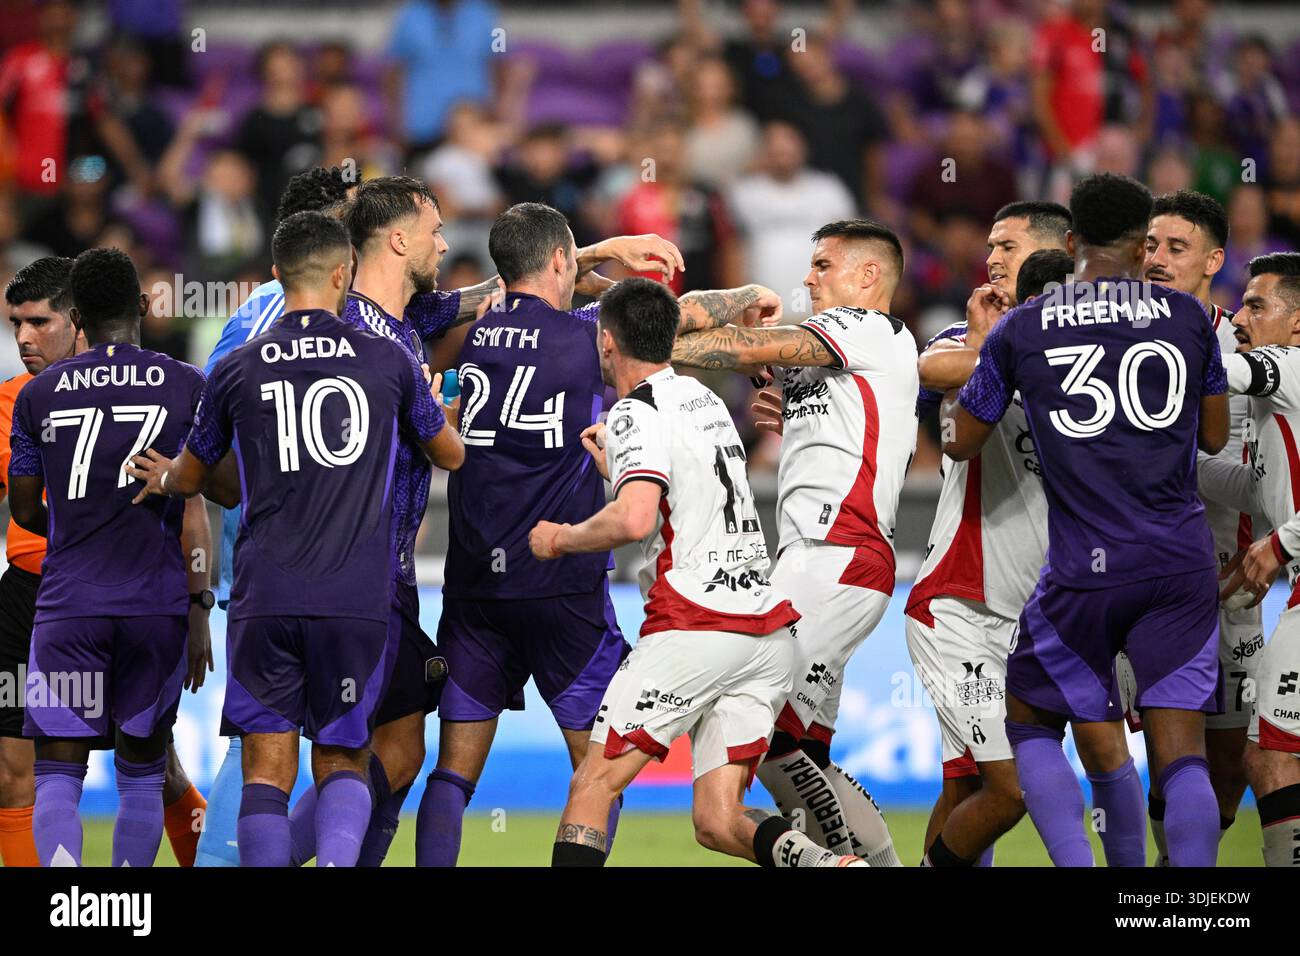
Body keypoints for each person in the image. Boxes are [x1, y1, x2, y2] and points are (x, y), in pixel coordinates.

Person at [423, 200, 765, 866]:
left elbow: (524, 277)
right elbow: (683, 316)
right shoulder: (585, 336)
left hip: (472, 586)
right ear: (559, 260)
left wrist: (603, 252)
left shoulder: (478, 329)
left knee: (453, 774)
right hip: (561, 586)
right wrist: (752, 294)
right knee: (599, 773)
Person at [128, 211, 464, 867]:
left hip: (265, 594)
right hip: (358, 594)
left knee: (267, 770)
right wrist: (438, 410)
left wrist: (164, 475)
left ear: (276, 276)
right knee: (344, 758)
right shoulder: (387, 360)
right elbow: (449, 454)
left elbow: (197, 476)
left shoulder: (236, 368)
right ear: (344, 274)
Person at [943, 173, 1230, 867]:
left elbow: (961, 439)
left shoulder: (1021, 326)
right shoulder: (1189, 318)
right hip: (1180, 563)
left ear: (1071, 243)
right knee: (1181, 753)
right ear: (1143, 246)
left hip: (1083, 569)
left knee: (1032, 723)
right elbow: (1215, 437)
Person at [531, 276, 861, 868]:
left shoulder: (633, 412)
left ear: (607, 343)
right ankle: (830, 864)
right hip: (764, 634)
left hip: (695, 625)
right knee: (719, 820)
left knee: (593, 784)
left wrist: (560, 540)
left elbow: (634, 521)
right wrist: (620, 469)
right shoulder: (702, 397)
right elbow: (685, 495)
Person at [671, 219, 917, 865]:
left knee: (762, 721)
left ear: (868, 276)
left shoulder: (869, 327)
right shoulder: (850, 358)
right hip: (825, 559)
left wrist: (668, 337)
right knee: (803, 752)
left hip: (835, 555)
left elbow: (749, 349)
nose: (808, 277)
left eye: (823, 264)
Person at [7, 248, 212, 866]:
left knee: (57, 774)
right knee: (145, 772)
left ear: (78, 317)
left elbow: (22, 509)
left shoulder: (37, 395)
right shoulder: (186, 383)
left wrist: (73, 523)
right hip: (155, 606)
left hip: (69, 605)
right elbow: (223, 489)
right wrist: (171, 485)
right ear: (146, 306)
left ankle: (72, 906)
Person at [904, 201, 1070, 867]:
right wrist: (989, 345)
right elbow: (930, 370)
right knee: (1009, 790)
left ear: (1061, 252)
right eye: (991, 246)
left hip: (1035, 615)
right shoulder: (965, 335)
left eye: (1009, 246)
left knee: (968, 783)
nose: (992, 258)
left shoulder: (1094, 351)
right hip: (959, 605)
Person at [1130, 189, 1256, 865]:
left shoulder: (1241, 345)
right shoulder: (1113, 334)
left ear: (1213, 260)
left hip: (1234, 586)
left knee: (1230, 762)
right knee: (1166, 748)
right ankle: (1169, 874)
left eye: (1176, 249)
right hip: (1140, 582)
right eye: (1150, 245)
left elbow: (1244, 460)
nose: (1157, 259)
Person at [1215, 252, 1300, 867]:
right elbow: (1244, 485)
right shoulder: (1278, 419)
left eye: (1258, 306)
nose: (1241, 317)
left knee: (1271, 755)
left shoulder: (1289, 365)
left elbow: (1208, 374)